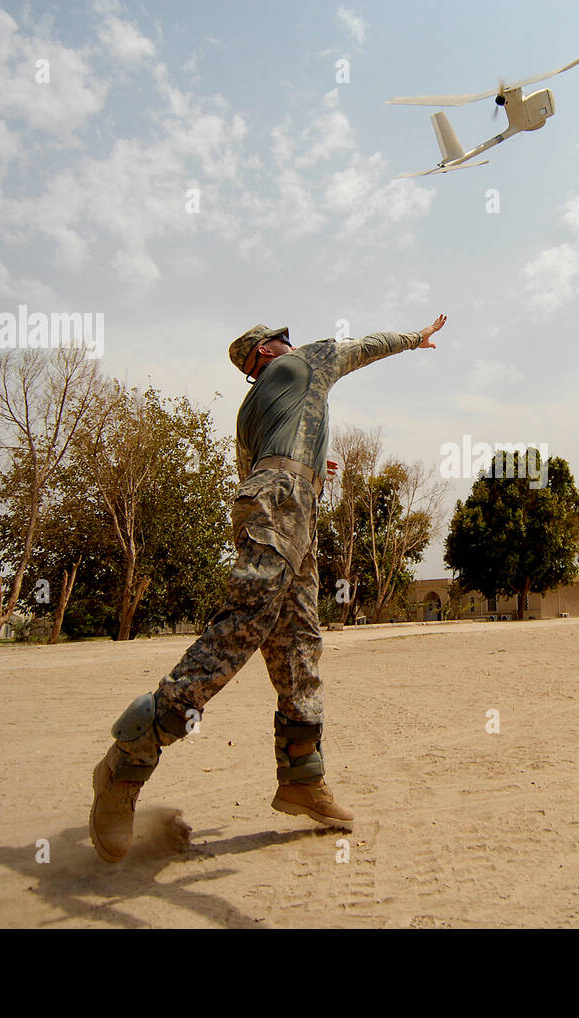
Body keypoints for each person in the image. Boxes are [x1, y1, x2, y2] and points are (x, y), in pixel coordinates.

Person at [89, 313, 447, 863]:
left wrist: (306, 476)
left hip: (284, 505)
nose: (292, 340)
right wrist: (413, 338)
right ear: (266, 352)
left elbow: (246, 472)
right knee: (243, 627)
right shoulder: (306, 362)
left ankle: (303, 777)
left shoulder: (250, 413)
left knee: (300, 643)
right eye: (281, 337)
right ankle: (129, 758)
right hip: (283, 502)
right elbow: (365, 346)